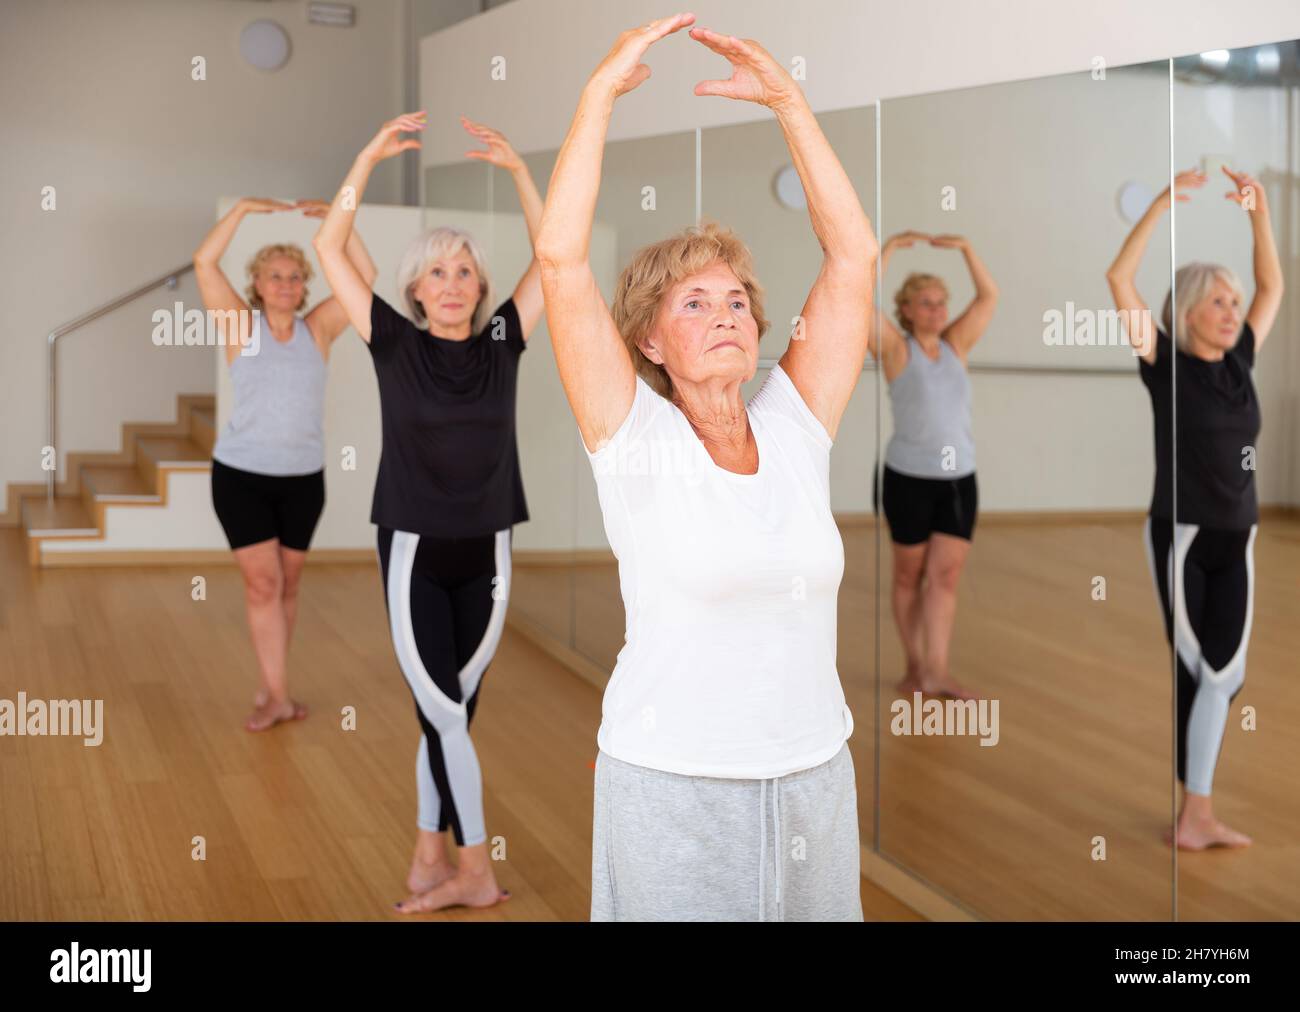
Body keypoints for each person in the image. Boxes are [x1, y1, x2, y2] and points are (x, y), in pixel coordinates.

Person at [535, 13, 876, 921]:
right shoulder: (633, 438)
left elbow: (853, 259)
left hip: (815, 780)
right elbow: (561, 262)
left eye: (737, 300)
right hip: (675, 788)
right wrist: (597, 96)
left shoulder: (798, 429)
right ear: (649, 337)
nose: (725, 313)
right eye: (694, 302)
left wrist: (790, 106)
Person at [313, 113, 544, 910]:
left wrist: (520, 173)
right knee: (445, 711)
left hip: (489, 553)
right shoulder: (391, 342)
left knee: (450, 712)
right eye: (437, 273)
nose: (452, 284)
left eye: (465, 272)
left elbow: (559, 256)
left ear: (482, 289)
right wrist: (370, 154)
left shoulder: (505, 342)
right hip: (412, 546)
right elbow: (328, 247)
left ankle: (424, 857)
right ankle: (473, 871)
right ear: (415, 290)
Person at [1107, 165, 1283, 850]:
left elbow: (1274, 287)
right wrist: (1156, 207)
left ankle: (1195, 812)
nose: (1234, 311)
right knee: (1206, 672)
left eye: (1234, 303)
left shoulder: (1240, 361)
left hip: (1237, 540)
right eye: (1218, 302)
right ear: (1187, 311)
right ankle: (1196, 813)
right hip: (1178, 537)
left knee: (1224, 675)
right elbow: (1118, 280)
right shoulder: (1163, 363)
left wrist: (1258, 215)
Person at [195, 197, 377, 732]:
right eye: (275, 275)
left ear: (305, 286)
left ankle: (272, 685)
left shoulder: (317, 328)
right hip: (241, 478)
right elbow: (204, 263)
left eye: (297, 276)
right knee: (264, 586)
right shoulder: (238, 324)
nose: (286, 284)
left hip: (303, 481)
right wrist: (243, 211)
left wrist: (338, 222)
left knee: (289, 587)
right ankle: (276, 694)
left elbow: (365, 276)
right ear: (257, 282)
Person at [870, 231, 997, 701]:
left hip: (959, 480)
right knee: (909, 576)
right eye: (926, 303)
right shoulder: (894, 348)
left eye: (942, 302)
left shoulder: (956, 345)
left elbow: (989, 296)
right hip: (908, 480)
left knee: (944, 578)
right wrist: (889, 250)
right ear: (905, 309)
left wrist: (967, 249)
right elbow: (858, 298)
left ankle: (938, 672)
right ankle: (915, 665)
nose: (938, 311)